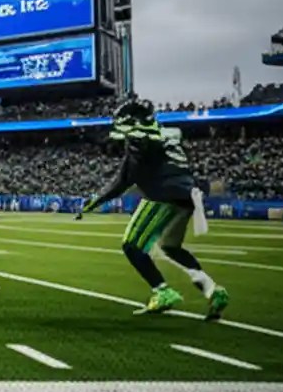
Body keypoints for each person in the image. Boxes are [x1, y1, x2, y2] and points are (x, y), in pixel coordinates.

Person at [80, 99, 229, 318]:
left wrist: (95, 201)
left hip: (163, 194)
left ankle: (162, 291)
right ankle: (211, 290)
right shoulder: (164, 134)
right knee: (170, 247)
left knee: (132, 245)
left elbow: (123, 180)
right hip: (187, 195)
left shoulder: (140, 140)